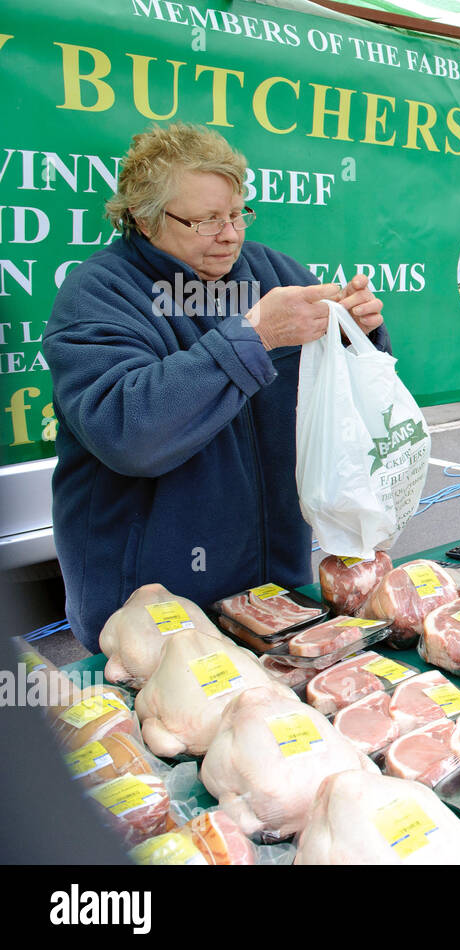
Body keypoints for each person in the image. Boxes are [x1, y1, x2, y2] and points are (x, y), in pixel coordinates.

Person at [44, 122, 388, 654]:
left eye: (235, 213)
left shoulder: (272, 271)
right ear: (144, 216)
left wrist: (358, 334)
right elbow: (131, 434)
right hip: (148, 607)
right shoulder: (98, 293)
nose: (229, 234)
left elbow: (346, 403)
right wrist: (258, 336)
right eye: (205, 221)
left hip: (275, 588)